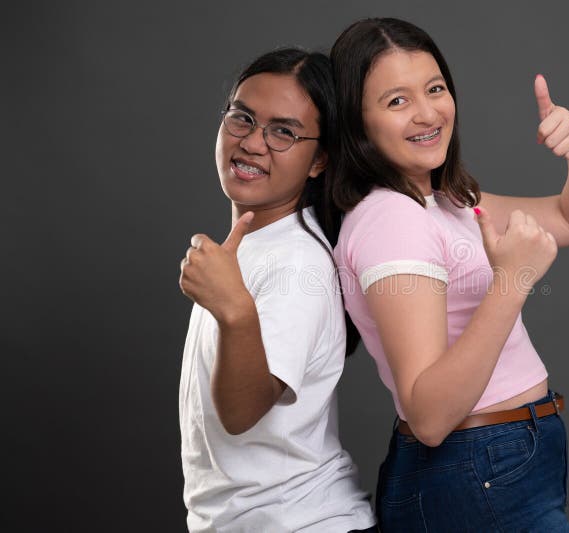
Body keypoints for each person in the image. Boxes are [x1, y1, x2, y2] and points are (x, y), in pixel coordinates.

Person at [330, 18, 569, 531]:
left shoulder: (446, 203)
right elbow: (430, 416)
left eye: (434, 89)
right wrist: (512, 282)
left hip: (502, 464)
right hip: (475, 468)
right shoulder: (391, 220)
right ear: (357, 123)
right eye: (396, 101)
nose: (427, 112)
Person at [177, 48, 376, 532]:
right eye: (242, 118)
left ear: (319, 160)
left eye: (283, 131)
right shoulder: (255, 248)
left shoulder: (296, 261)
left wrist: (235, 310)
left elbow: (242, 413)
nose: (252, 143)